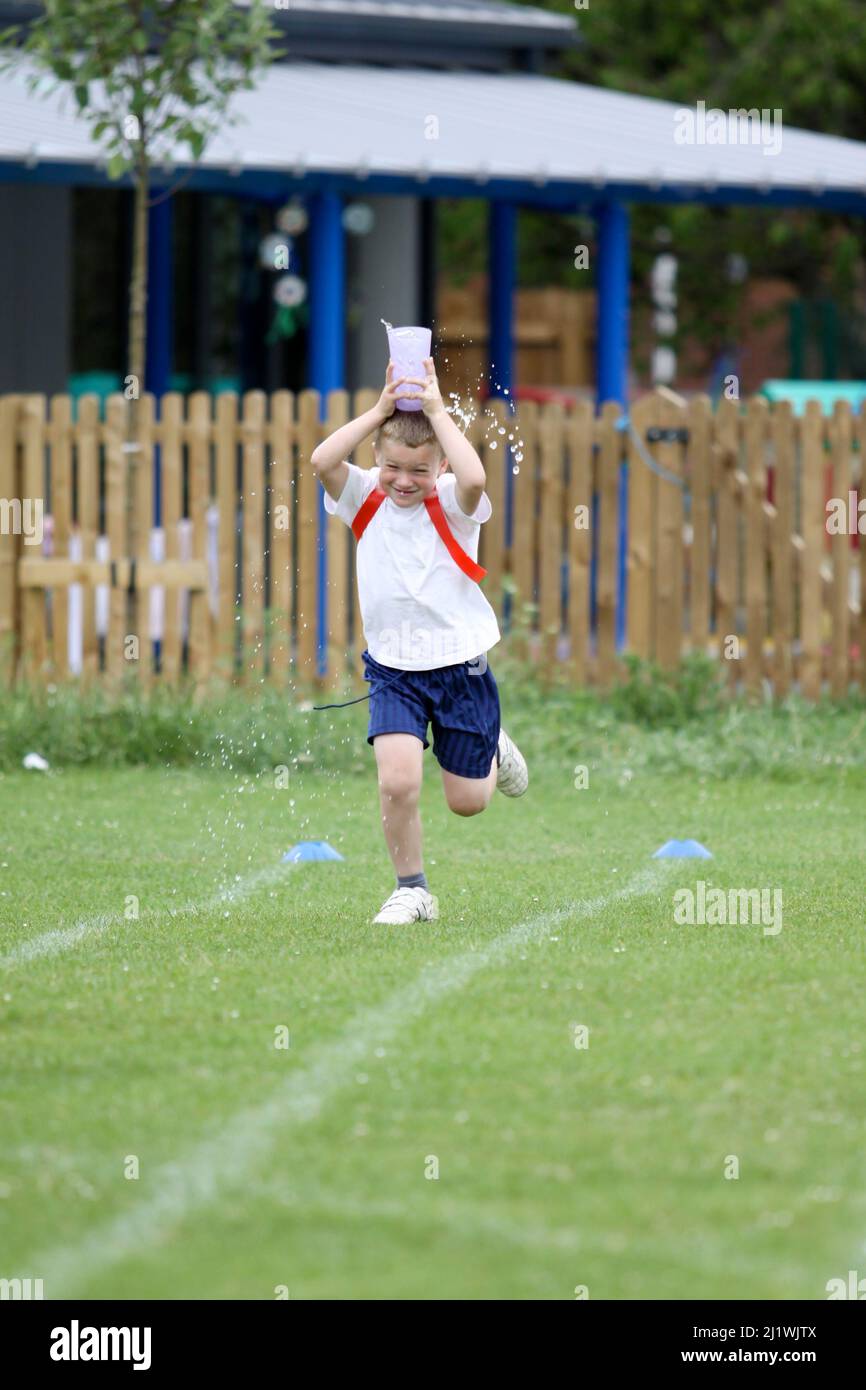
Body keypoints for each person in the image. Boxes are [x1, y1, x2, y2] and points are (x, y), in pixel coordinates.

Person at [311, 356, 528, 925]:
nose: (404, 480)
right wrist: (381, 410)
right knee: (399, 781)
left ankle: (493, 748)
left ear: (438, 469)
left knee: (468, 803)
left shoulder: (456, 504)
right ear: (377, 460)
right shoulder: (365, 497)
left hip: (461, 670)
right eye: (393, 467)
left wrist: (435, 408)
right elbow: (321, 460)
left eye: (419, 470)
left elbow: (476, 478)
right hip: (393, 670)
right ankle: (412, 889)